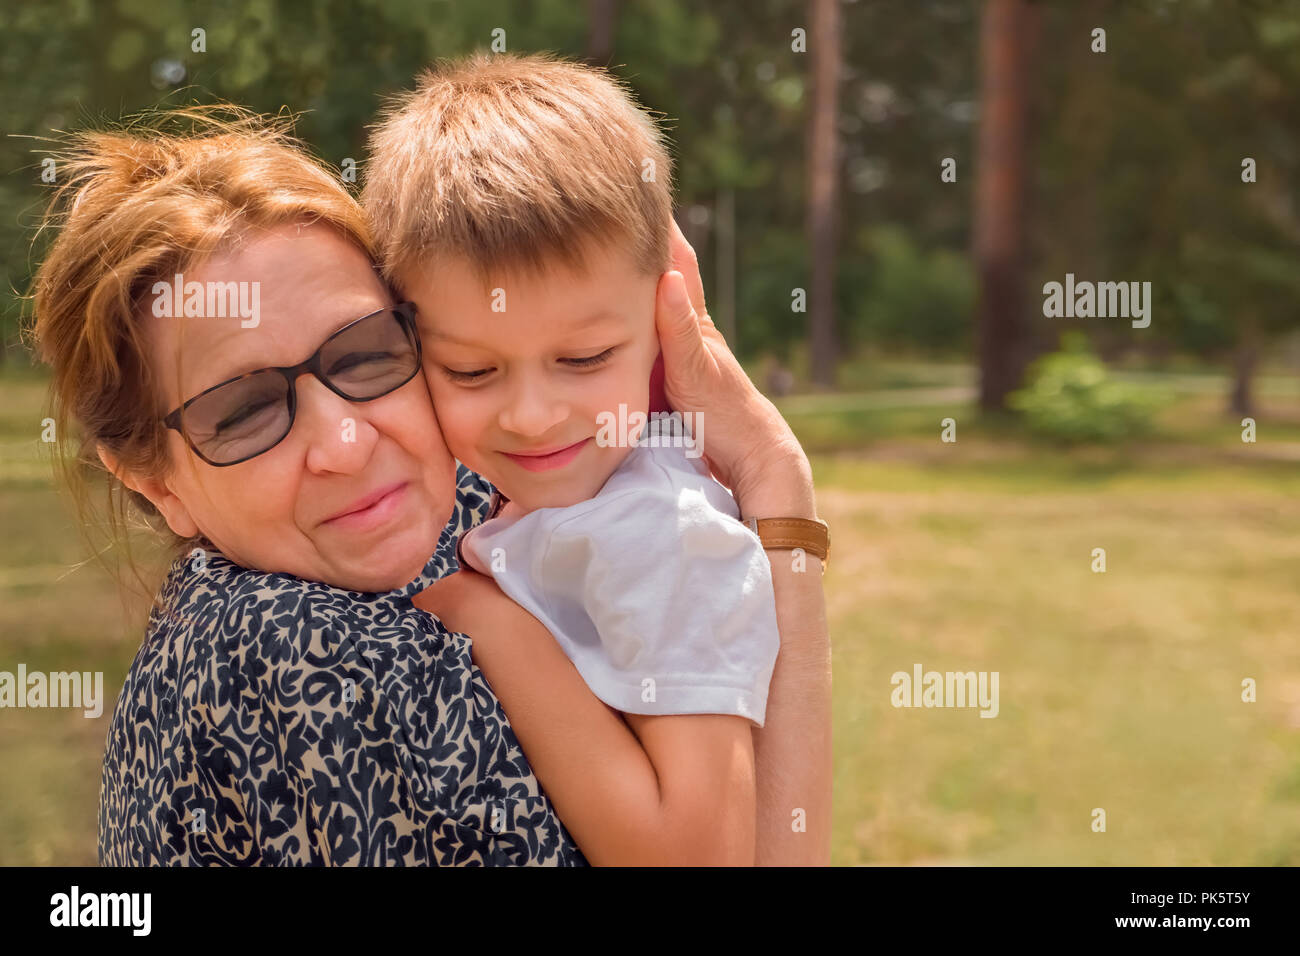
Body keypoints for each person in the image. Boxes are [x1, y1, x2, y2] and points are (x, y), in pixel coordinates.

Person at [29, 105, 830, 866]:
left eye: (365, 354)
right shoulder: (306, 654)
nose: (343, 444)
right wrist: (772, 495)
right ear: (153, 481)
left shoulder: (463, 527)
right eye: (243, 412)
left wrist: (770, 472)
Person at [363, 53, 789, 861]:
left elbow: (695, 855)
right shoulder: (548, 508)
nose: (531, 417)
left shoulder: (661, 535)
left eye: (586, 358)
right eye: (471, 370)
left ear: (669, 322)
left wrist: (490, 622)